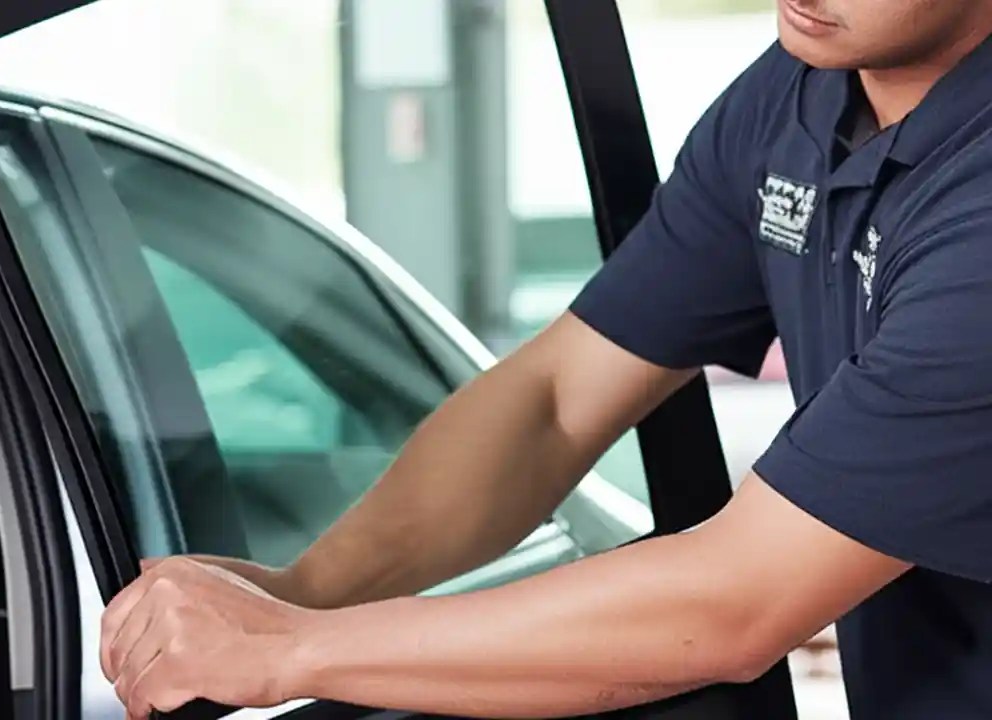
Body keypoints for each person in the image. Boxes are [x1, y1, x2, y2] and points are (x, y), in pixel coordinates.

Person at [100, 2, 992, 718]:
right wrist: (309, 591)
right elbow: (557, 399)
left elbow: (734, 600)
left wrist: (286, 650)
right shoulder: (799, 98)